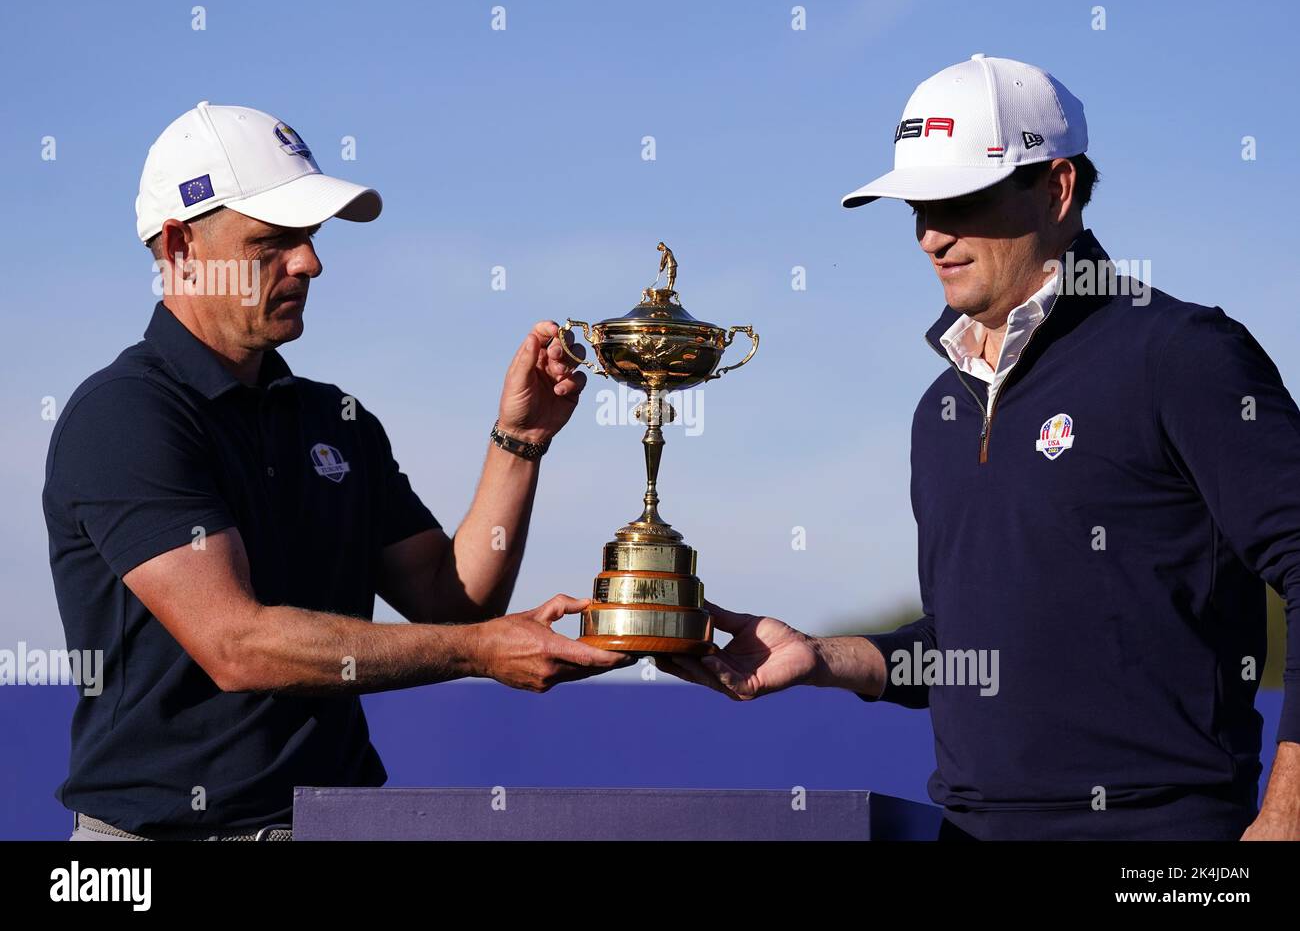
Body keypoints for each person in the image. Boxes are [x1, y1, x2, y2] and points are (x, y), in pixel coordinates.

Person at [662, 55, 1300, 841]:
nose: (931, 235)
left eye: (959, 200)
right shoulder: (939, 411)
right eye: (918, 209)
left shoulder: (1183, 353)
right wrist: (824, 658)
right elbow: (965, 650)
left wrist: (1289, 814)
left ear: (1058, 189)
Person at [43, 102, 631, 841]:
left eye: (310, 239)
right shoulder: (125, 415)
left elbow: (453, 602)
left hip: (339, 824)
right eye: (274, 241)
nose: (310, 262)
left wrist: (519, 440)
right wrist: (482, 651)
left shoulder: (334, 418)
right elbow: (238, 644)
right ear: (179, 245)